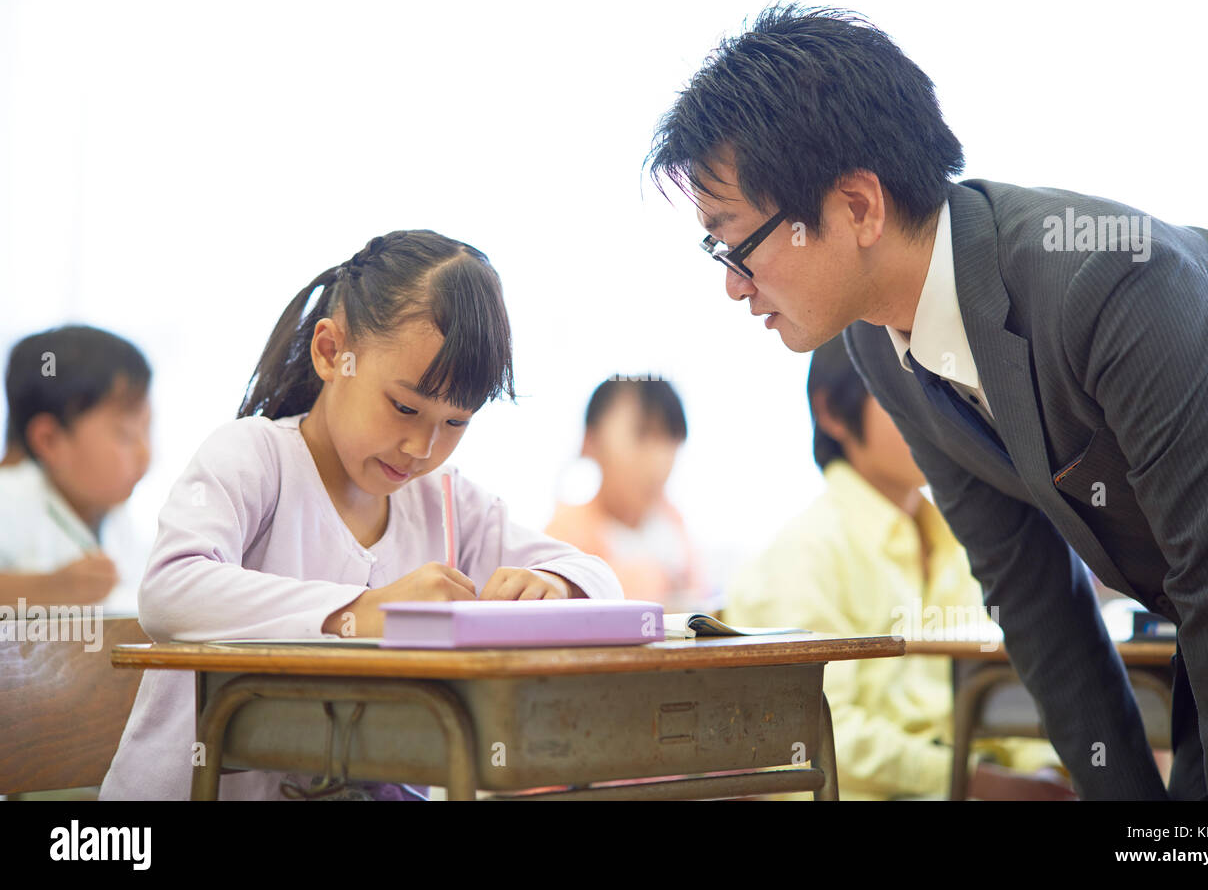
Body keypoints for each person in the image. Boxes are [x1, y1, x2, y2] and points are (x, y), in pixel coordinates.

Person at [647, 6, 1208, 800]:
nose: (731, 282)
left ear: (857, 206)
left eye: (737, 243)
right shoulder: (877, 345)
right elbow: (1032, 597)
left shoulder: (1114, 284)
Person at [99, 229, 623, 800]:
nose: (422, 447)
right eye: (404, 406)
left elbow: (601, 579)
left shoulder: (446, 503)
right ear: (332, 353)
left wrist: (553, 584)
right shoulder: (254, 458)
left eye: (456, 422)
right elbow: (170, 590)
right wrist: (364, 612)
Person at [728, 337, 1072, 800]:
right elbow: (813, 736)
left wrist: (1047, 771)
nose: (931, 412)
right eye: (897, 392)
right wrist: (975, 781)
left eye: (940, 388)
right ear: (831, 411)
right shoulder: (802, 555)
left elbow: (1003, 693)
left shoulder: (957, 539)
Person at [0, 325, 153, 612]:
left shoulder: (118, 519)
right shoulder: (9, 497)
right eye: (126, 434)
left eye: (147, 430)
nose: (146, 453)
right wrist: (47, 589)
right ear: (49, 440)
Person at [546, 378, 703, 610]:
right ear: (592, 441)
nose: (661, 458)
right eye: (643, 434)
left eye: (672, 438)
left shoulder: (673, 524)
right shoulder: (563, 538)